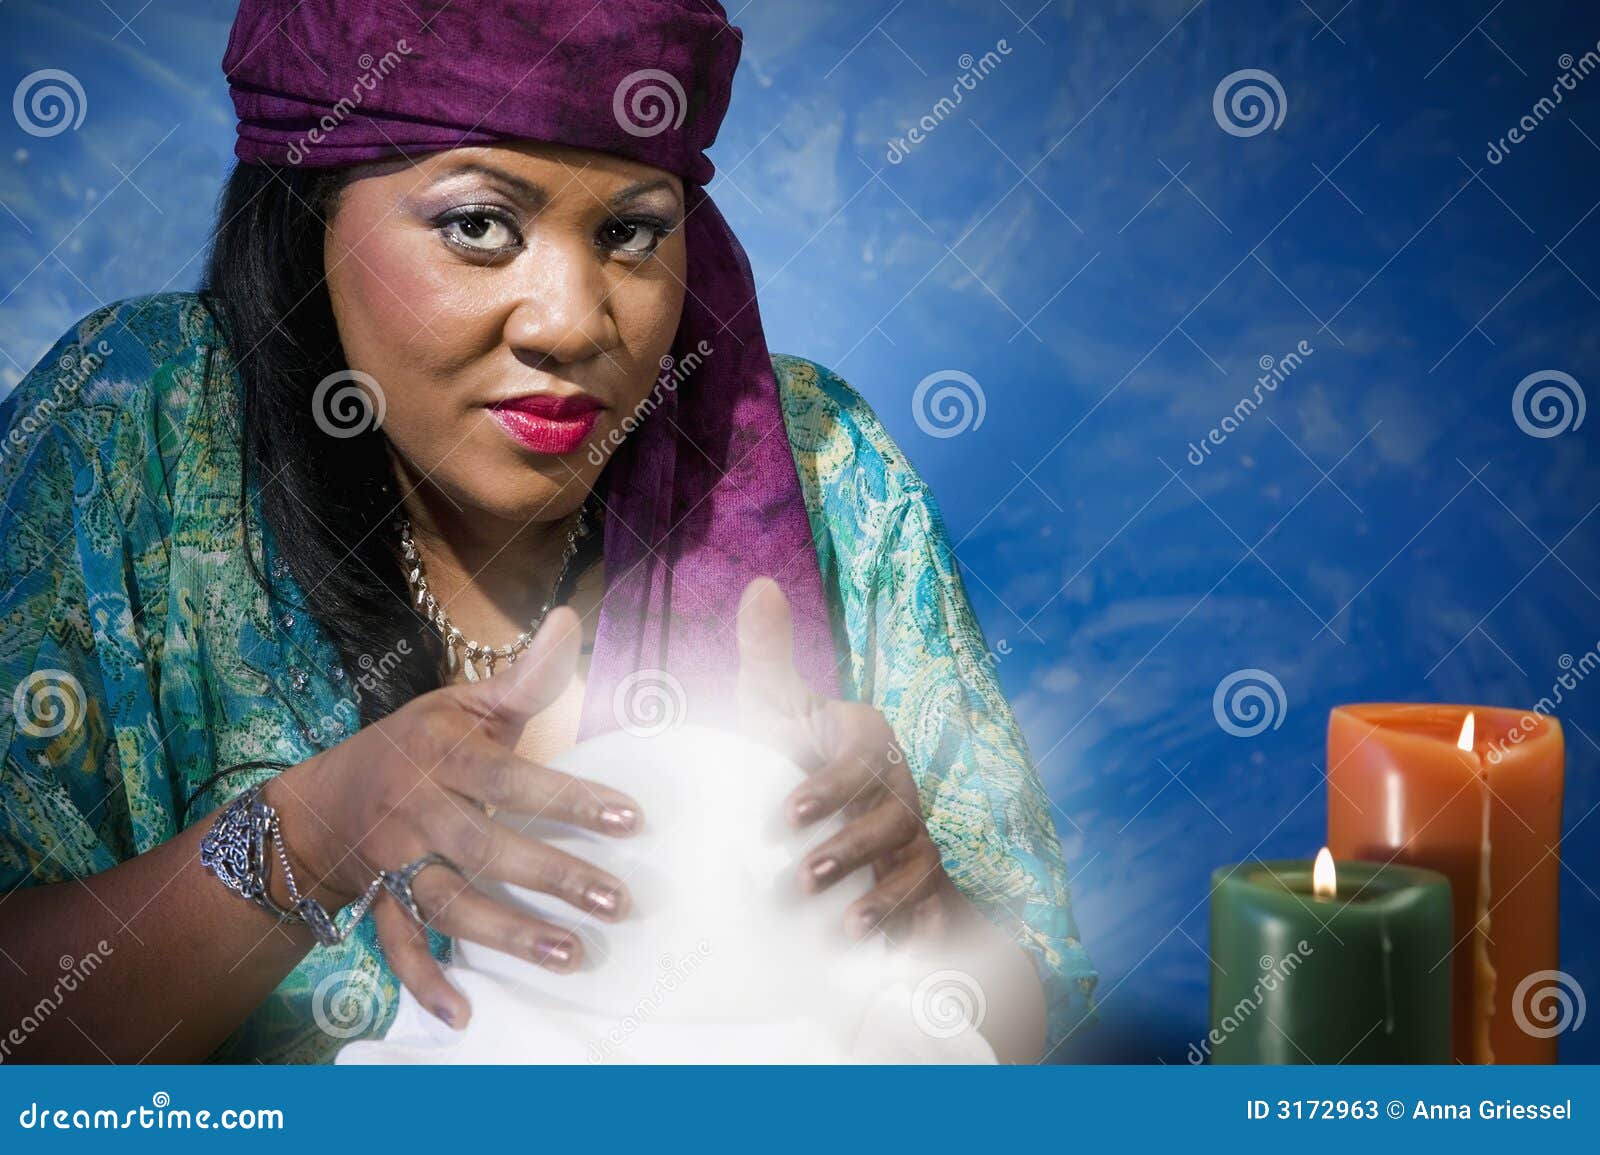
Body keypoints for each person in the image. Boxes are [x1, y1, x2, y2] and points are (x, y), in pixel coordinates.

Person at [0, 0, 1096, 1064]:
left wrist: (914, 903)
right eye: (479, 226)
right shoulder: (128, 425)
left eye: (629, 232)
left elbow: (1018, 1030)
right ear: (311, 208)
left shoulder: (822, 468)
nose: (572, 321)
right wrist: (313, 835)